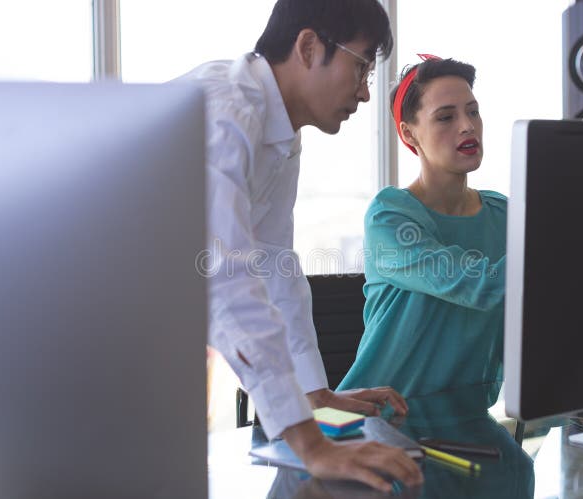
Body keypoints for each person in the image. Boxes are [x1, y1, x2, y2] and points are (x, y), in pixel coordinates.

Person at [181, 0, 422, 492]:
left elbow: (276, 267)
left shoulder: (281, 136)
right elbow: (226, 281)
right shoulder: (226, 114)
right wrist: (311, 445)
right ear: (310, 46)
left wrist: (314, 393)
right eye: (360, 67)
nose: (365, 92)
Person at [338, 57, 507, 409]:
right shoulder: (389, 216)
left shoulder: (504, 214)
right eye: (446, 117)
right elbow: (478, 283)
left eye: (473, 112)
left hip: (465, 423)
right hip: (375, 421)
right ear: (408, 133)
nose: (467, 126)